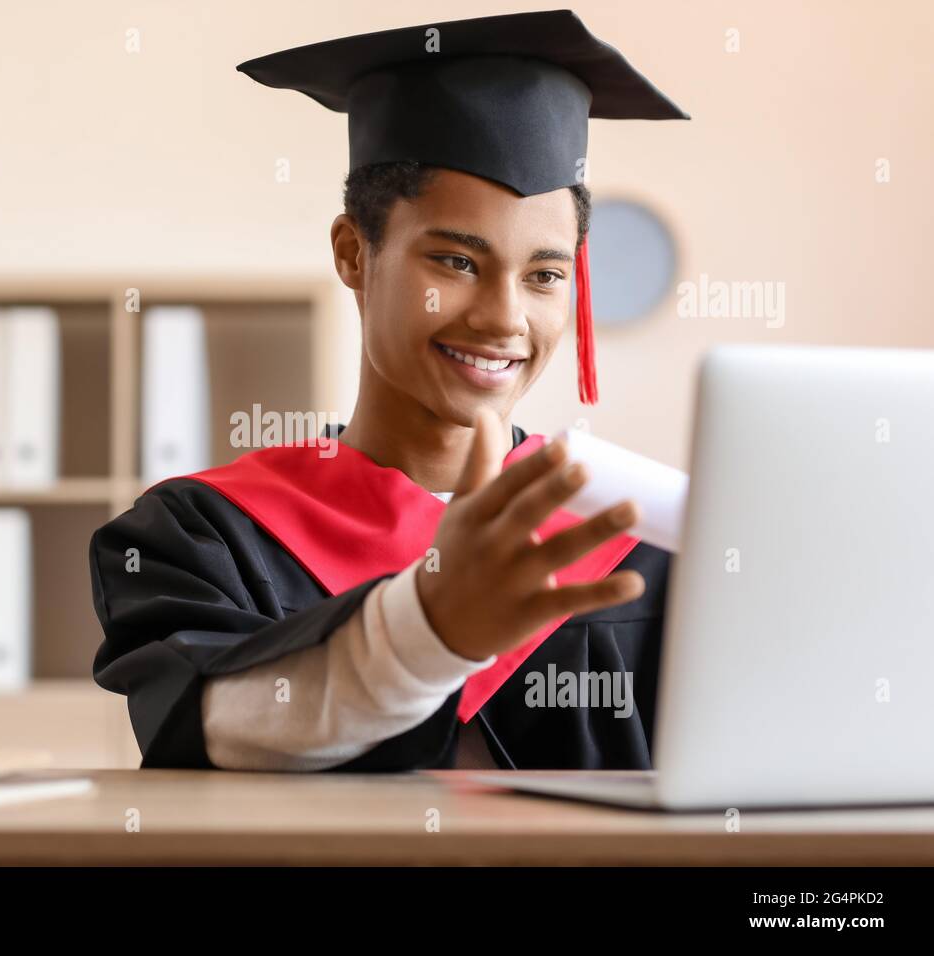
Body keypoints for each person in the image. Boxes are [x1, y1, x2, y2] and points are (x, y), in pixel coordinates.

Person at [90, 10, 688, 770]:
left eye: (544, 275)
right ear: (353, 252)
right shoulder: (205, 536)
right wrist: (428, 627)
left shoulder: (638, 541)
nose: (505, 317)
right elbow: (208, 730)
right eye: (456, 263)